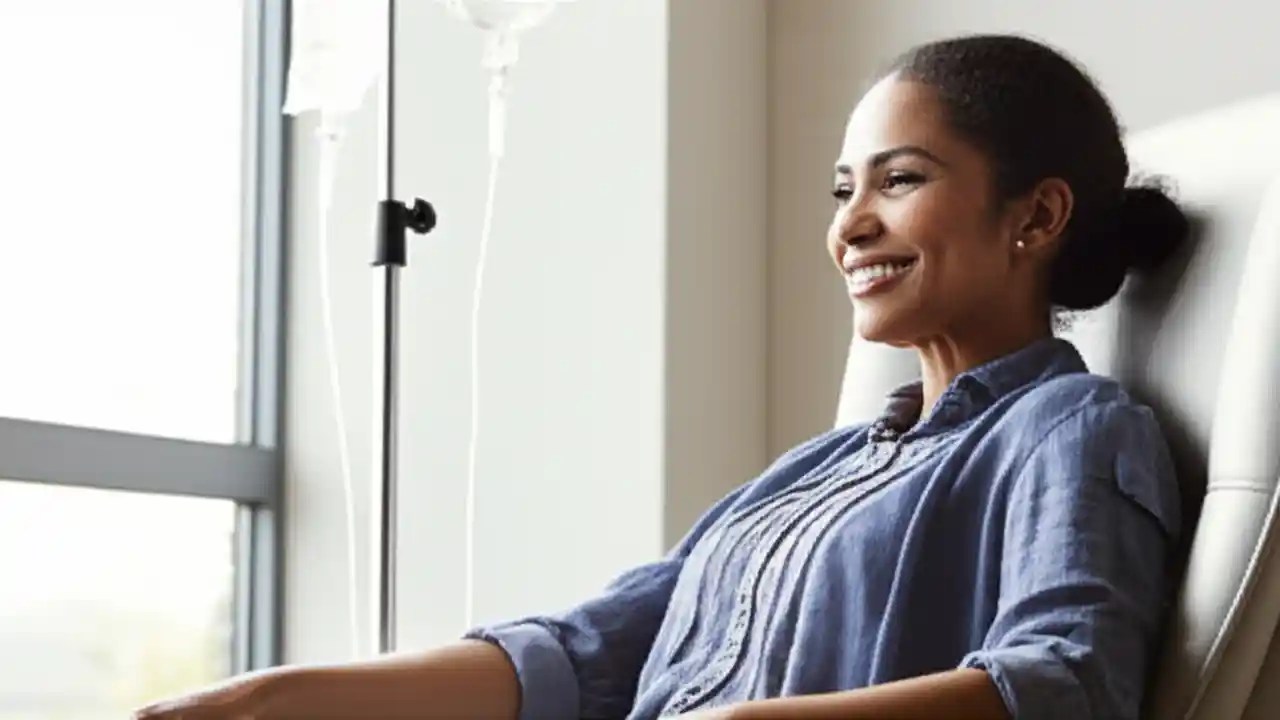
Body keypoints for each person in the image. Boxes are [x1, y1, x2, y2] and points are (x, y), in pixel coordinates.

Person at [134, 33, 1188, 720]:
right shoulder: (812, 471)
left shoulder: (1070, 429)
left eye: (898, 181)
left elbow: (1066, 686)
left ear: (1036, 217)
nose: (847, 226)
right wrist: (272, 696)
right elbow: (585, 653)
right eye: (838, 192)